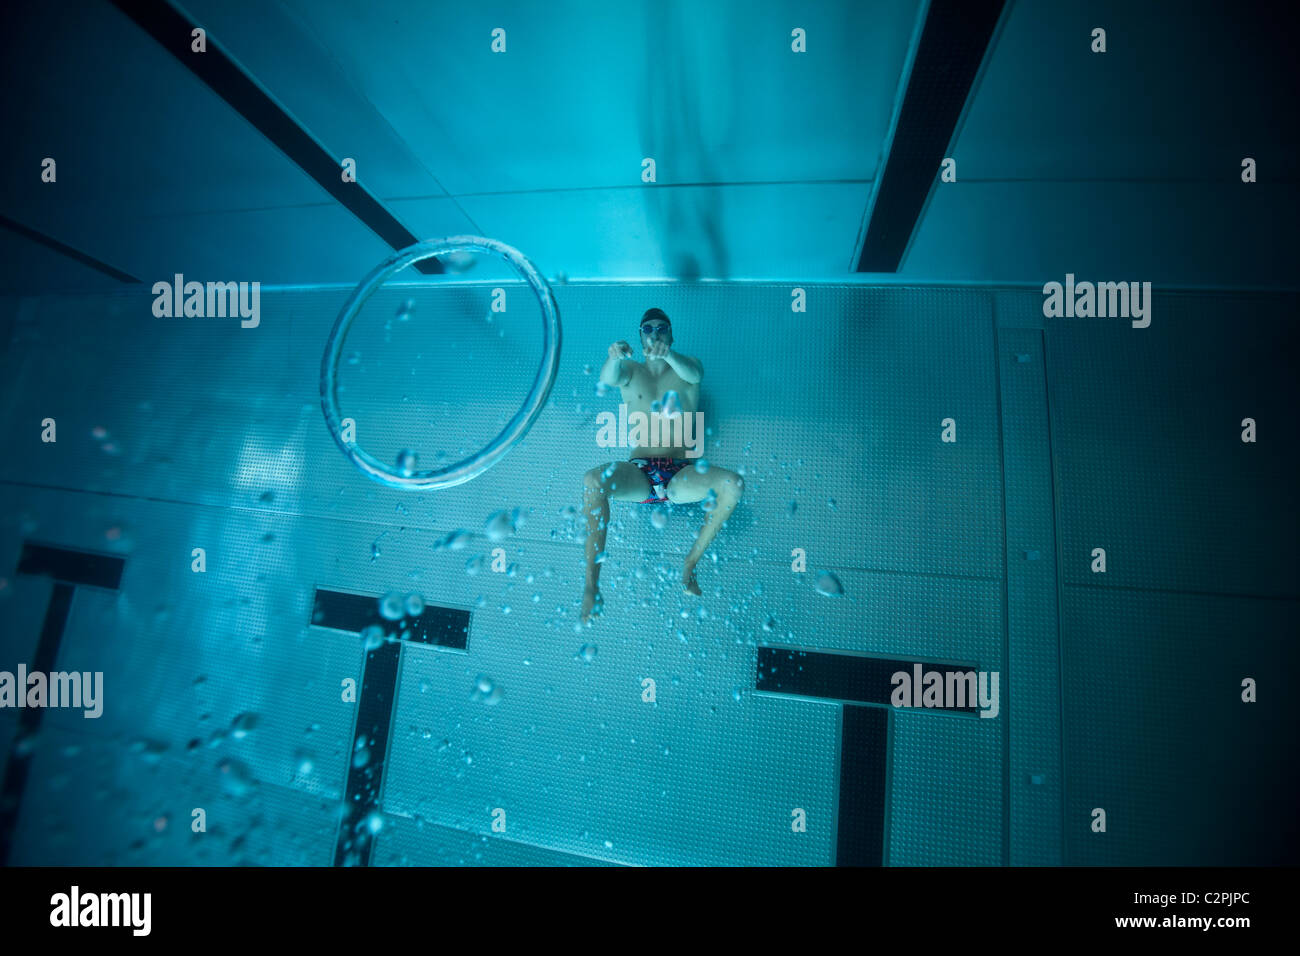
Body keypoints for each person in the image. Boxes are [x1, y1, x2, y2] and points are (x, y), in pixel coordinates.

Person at [580, 308, 744, 623]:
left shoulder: (687, 367)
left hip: (681, 474)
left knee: (734, 485)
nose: (654, 333)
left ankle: (690, 564)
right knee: (592, 480)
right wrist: (613, 356)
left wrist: (668, 355)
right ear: (640, 335)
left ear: (670, 334)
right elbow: (607, 378)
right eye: (647, 328)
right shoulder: (629, 370)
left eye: (661, 328)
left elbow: (695, 375)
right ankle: (591, 585)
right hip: (638, 472)